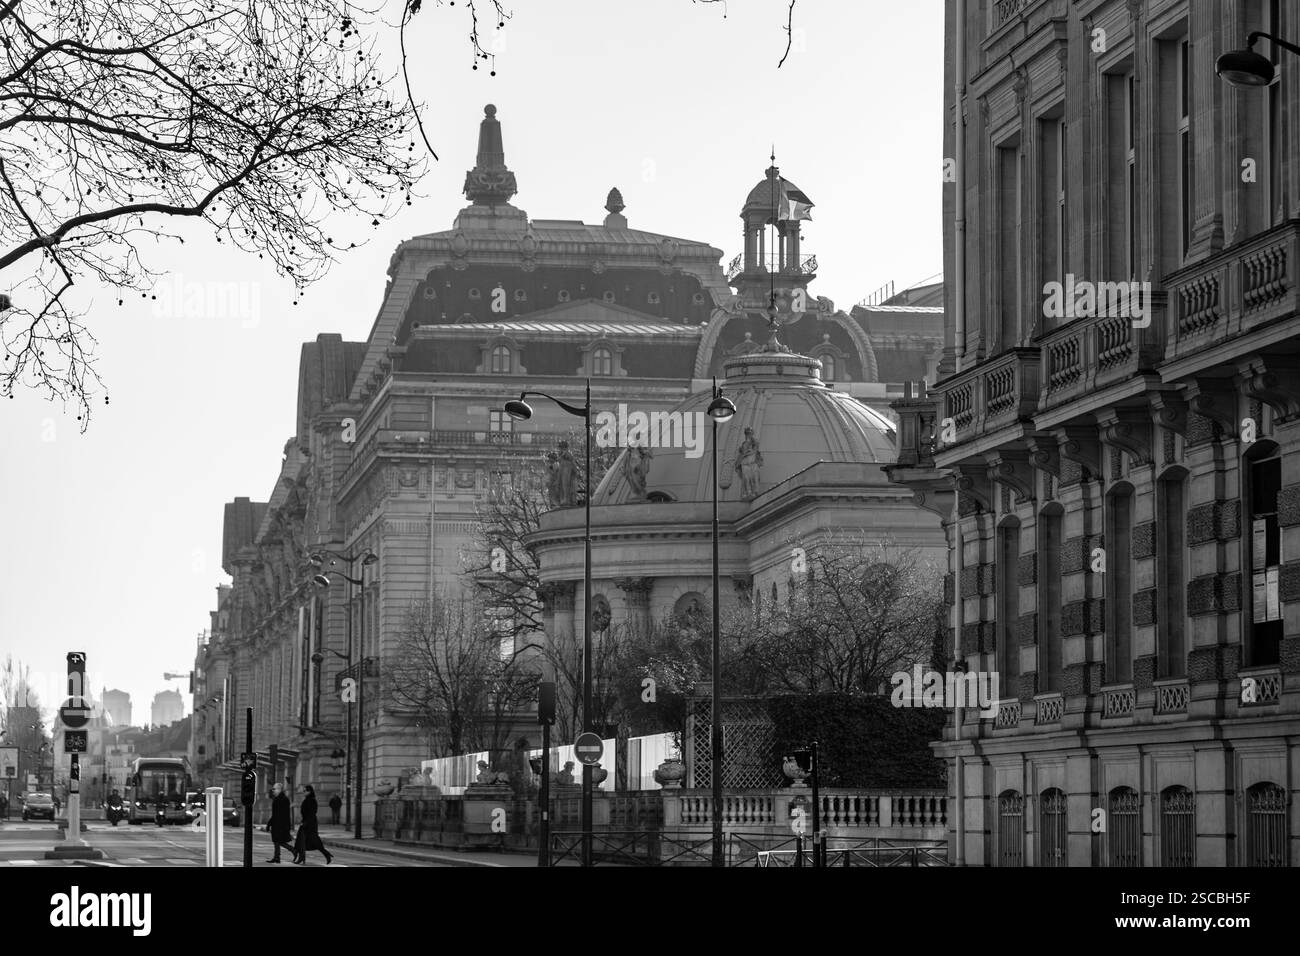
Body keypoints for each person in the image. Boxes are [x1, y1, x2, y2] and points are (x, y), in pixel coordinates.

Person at [292, 784, 332, 865]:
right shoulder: (307, 799)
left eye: (305, 791)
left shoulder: (312, 800)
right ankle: (301, 858)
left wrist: (306, 823)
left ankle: (327, 855)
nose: (303, 792)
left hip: (310, 824)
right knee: (300, 842)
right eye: (303, 791)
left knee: (315, 841)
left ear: (309, 792)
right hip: (305, 822)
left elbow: (312, 813)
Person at [265, 783, 295, 863]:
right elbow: (275, 814)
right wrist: (270, 823)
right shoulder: (277, 799)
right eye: (273, 789)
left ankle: (293, 850)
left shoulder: (284, 799)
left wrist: (285, 826)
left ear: (280, 789)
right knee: (276, 841)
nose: (273, 790)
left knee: (279, 841)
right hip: (276, 823)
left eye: (274, 789)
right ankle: (277, 857)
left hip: (281, 824)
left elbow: (284, 814)